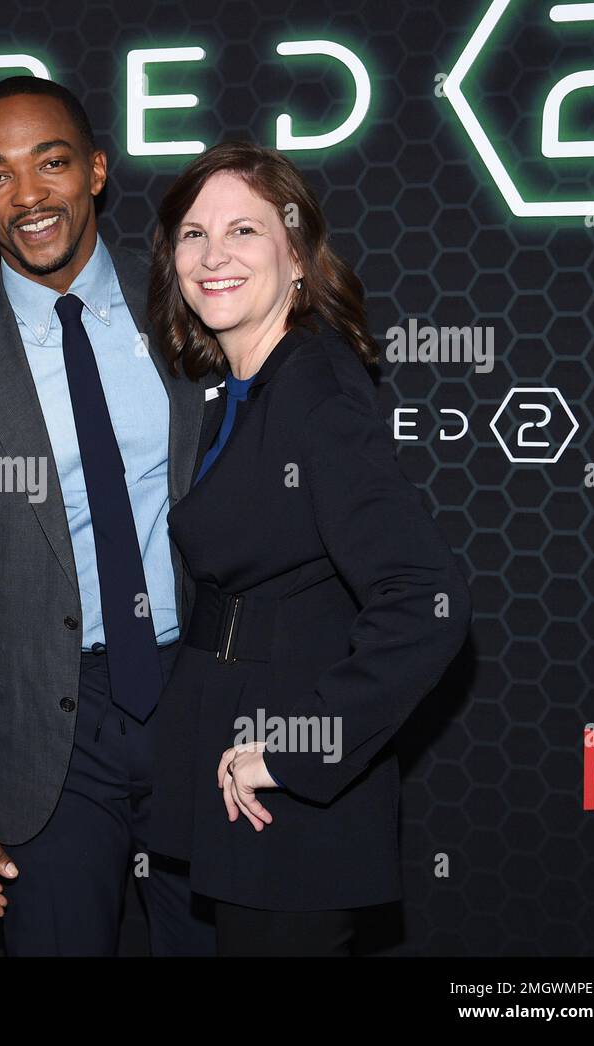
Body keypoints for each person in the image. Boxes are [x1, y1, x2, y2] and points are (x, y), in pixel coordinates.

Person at [0, 76, 216, 955]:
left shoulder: (193, 307)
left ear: (96, 170)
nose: (26, 196)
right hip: (35, 733)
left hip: (203, 701)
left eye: (50, 162)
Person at [146, 140, 472, 956]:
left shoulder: (317, 387)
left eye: (245, 231)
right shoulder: (234, 392)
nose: (213, 255)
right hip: (223, 783)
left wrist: (298, 745)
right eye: (193, 234)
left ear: (298, 257)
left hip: (290, 808)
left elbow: (427, 597)